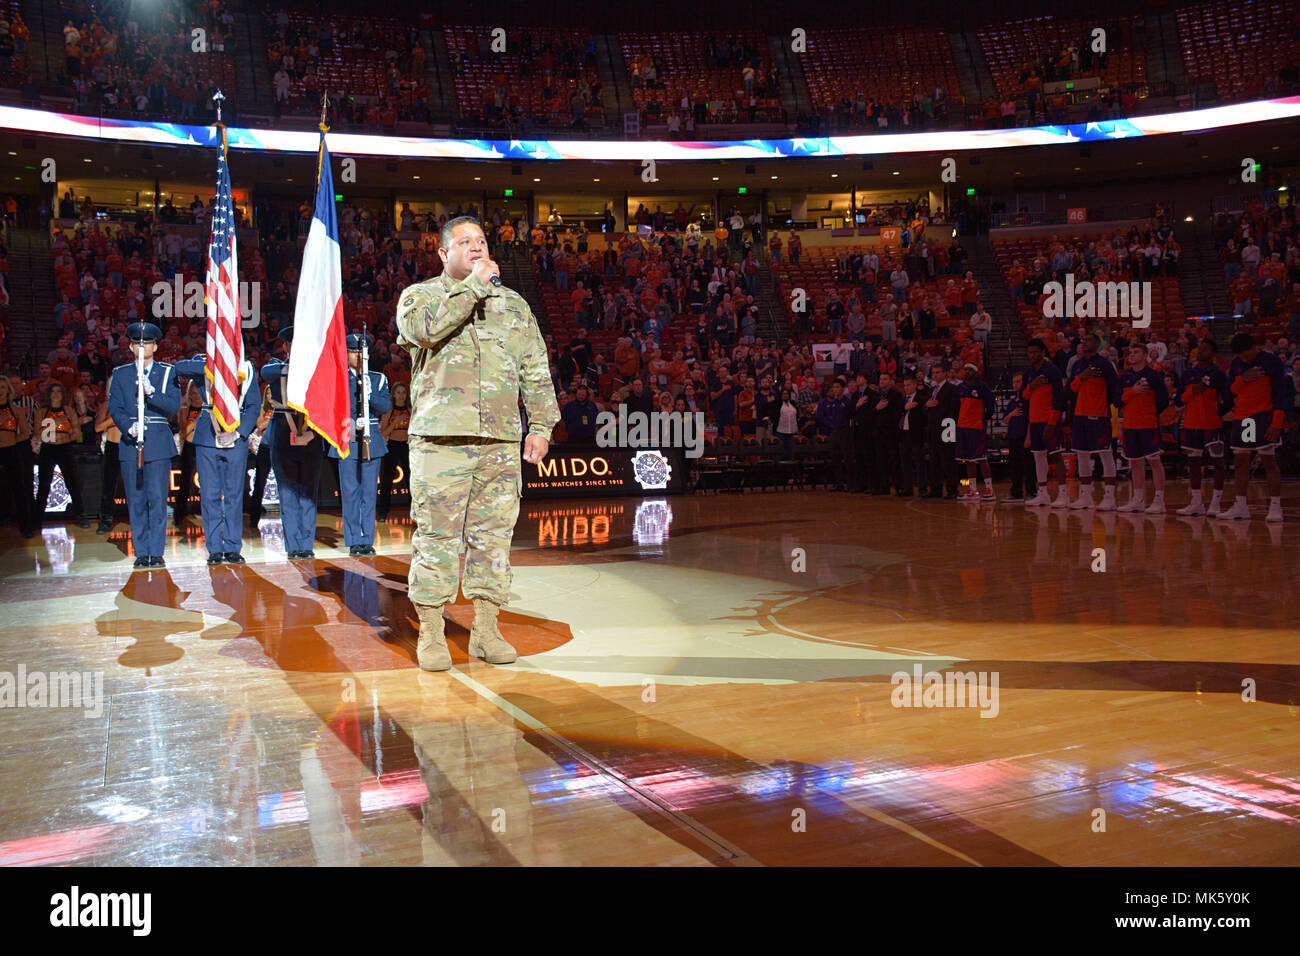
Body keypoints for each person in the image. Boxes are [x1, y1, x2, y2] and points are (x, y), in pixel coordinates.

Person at [396, 216, 560, 672]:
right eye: (464, 242)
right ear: (443, 254)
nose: (476, 248)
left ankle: (486, 631)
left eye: (481, 241)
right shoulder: (421, 297)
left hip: (500, 442)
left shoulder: (514, 305)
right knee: (437, 538)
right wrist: (472, 288)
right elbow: (425, 331)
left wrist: (542, 424)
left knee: (493, 540)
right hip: (440, 443)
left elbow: (535, 367)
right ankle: (431, 632)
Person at [172, 352, 260, 564]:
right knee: (210, 495)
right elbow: (179, 367)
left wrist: (239, 433)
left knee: (234, 495)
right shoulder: (205, 363)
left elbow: (254, 405)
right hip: (207, 436)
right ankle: (214, 548)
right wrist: (213, 364)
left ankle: (232, 546)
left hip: (235, 436)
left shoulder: (245, 368)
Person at [108, 322, 181, 568]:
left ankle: (156, 551)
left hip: (158, 443)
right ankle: (141, 552)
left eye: (147, 343)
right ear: (130, 346)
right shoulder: (121, 374)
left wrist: (152, 393)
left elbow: (172, 407)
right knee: (136, 499)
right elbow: (115, 407)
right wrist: (127, 427)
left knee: (158, 499)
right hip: (131, 442)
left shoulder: (168, 372)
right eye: (137, 343)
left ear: (155, 346)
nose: (142, 347)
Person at [260, 327, 325, 559]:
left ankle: (306, 545)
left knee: (308, 491)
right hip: (282, 430)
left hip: (311, 431)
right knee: (287, 491)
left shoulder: (317, 369)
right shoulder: (276, 368)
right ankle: (293, 545)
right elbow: (266, 372)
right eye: (291, 343)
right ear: (285, 347)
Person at [330, 333, 391, 556]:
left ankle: (367, 539)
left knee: (368, 491)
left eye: (360, 351)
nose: (357, 355)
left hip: (371, 439)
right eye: (352, 351)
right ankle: (354, 539)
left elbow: (384, 406)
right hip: (348, 436)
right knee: (350, 491)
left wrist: (369, 392)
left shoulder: (377, 378)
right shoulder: (338, 377)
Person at [1218, 332, 1286, 522]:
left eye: (1246, 355)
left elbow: (1280, 393)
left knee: (1269, 461)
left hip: (1264, 415)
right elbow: (1230, 391)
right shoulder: (1237, 364)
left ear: (1254, 347)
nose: (1244, 359)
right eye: (1241, 356)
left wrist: (1276, 423)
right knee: (1241, 462)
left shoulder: (1271, 362)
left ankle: (1275, 506)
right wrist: (1243, 379)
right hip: (1243, 418)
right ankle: (1240, 505)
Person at [1066, 332, 1121, 511]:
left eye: (1088, 340)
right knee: (1081, 454)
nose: (1084, 343)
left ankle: (1110, 497)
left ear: (1097, 344)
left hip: (1099, 415)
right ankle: (1085, 496)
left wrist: (1105, 406)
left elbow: (1114, 388)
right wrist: (1083, 376)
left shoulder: (1104, 364)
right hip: (1080, 414)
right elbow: (1070, 389)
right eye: (1083, 340)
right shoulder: (1078, 365)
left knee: (1105, 453)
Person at [1176, 337, 1230, 517]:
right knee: (1193, 463)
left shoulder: (1219, 374)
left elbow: (1228, 400)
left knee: (1218, 462)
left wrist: (1217, 413)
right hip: (1191, 423)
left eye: (1205, 349)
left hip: (1212, 424)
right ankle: (1196, 502)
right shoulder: (1188, 374)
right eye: (1200, 348)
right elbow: (1178, 400)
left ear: (1213, 354)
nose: (1200, 351)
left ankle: (1216, 502)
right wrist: (1192, 391)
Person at [1117, 342, 1169, 513]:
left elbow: (1163, 400)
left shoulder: (1153, 375)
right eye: (1130, 352)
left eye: (1136, 352)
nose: (1132, 354)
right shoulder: (1125, 377)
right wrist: (1133, 391)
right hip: (1130, 425)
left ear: (1145, 355)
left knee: (1154, 461)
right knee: (1135, 463)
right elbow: (1117, 401)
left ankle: (1159, 500)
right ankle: (1138, 499)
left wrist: (1150, 413)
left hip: (1148, 425)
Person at [34, 382, 89, 528]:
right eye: (53, 391)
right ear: (49, 394)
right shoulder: (42, 411)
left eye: (59, 391)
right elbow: (38, 433)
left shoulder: (69, 411)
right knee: (44, 485)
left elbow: (77, 432)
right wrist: (54, 423)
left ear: (63, 394)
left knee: (72, 483)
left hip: (65, 448)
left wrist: (63, 438)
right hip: (48, 449)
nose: (56, 394)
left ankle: (81, 516)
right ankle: (37, 519)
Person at [1022, 338, 1067, 507]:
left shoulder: (1052, 371)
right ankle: (1043, 493)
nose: (1032, 355)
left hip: (1049, 420)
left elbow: (1059, 398)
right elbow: (1023, 396)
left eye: (1035, 352)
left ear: (1042, 352)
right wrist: (1031, 386)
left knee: (1056, 455)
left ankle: (1063, 494)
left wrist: (1052, 422)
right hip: (1034, 420)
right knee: (1038, 456)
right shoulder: (1028, 373)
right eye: (1030, 352)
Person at [0, 375, 35, 536]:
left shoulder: (16, 410)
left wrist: (12, 441)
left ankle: (26, 526)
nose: (0, 391)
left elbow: (25, 433)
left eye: (3, 387)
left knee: (19, 489)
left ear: (8, 390)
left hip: (11, 451)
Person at [924, 361, 959, 498]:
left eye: (938, 372)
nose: (935, 375)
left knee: (948, 460)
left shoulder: (951, 389)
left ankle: (952, 490)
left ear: (945, 374)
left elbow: (953, 410)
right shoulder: (931, 390)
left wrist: (949, 431)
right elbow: (925, 409)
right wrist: (926, 405)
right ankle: (936, 489)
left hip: (946, 429)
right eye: (933, 373)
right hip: (933, 430)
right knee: (934, 461)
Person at [378, 381, 411, 519]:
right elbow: (383, 433)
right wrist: (396, 422)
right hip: (392, 446)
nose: (401, 396)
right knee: (387, 480)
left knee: (411, 480)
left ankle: (414, 512)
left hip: (407, 446)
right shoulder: (389, 410)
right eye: (398, 392)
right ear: (393, 394)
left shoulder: (410, 409)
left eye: (403, 392)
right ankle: (383, 512)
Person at [172, 380, 202, 526]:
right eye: (193, 393)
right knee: (185, 484)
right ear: (189, 394)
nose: (196, 396)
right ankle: (179, 515)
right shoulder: (184, 410)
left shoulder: (208, 409)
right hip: (189, 448)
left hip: (203, 447)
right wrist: (198, 420)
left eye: (198, 393)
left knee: (207, 484)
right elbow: (185, 431)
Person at [1002, 372, 1035, 503]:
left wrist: (1029, 437)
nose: (1016, 384)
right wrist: (1011, 414)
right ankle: (1016, 493)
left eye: (1019, 381)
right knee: (1015, 466)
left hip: (1024, 437)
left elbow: (1031, 420)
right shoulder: (1012, 402)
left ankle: (1032, 492)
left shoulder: (1027, 401)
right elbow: (1005, 420)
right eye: (1014, 381)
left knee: (1028, 466)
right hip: (1013, 437)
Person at [93, 394, 122, 533]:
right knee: (109, 485)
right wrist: (113, 419)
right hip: (113, 446)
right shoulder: (107, 404)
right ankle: (105, 519)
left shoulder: (136, 401)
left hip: (131, 445)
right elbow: (97, 428)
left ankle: (141, 518)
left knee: (136, 484)